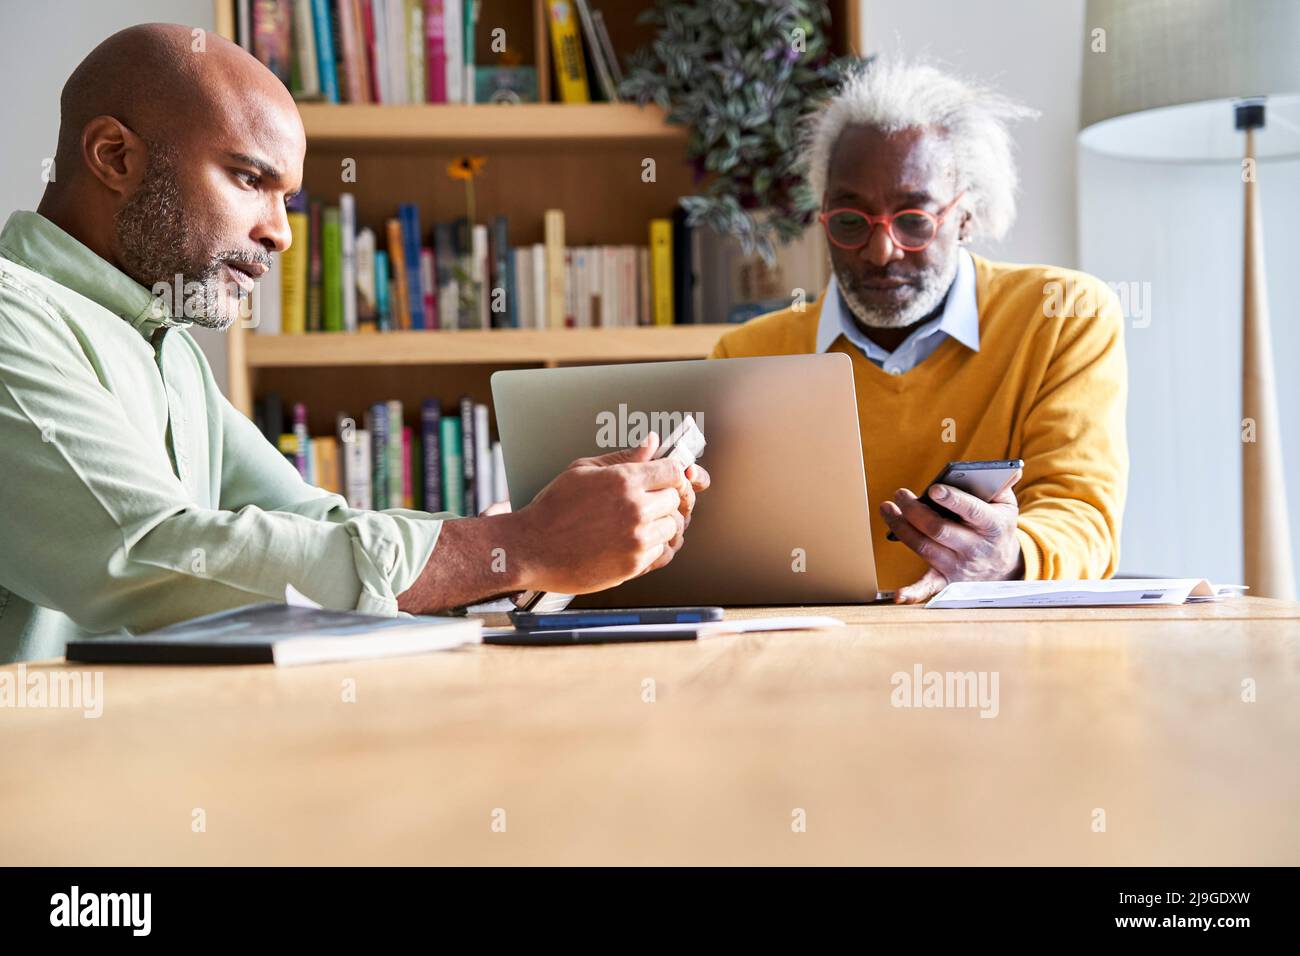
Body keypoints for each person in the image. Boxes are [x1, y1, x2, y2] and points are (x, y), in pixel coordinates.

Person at [0, 23, 709, 662]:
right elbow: (152, 559)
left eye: (288, 200)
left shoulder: (165, 341)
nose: (280, 232)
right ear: (113, 157)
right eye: (251, 179)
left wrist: (521, 534)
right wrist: (517, 549)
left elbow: (308, 522)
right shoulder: (13, 319)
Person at [711, 59, 1127, 603]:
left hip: (1003, 654)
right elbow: (725, 548)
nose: (881, 252)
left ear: (966, 215)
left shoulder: (1063, 315)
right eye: (850, 222)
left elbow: (1081, 514)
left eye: (913, 219)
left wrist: (1010, 556)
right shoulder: (750, 354)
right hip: (810, 654)